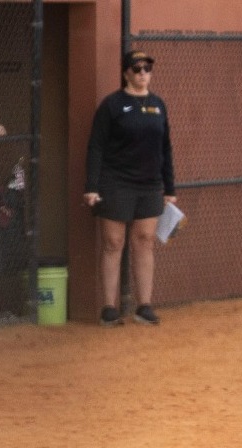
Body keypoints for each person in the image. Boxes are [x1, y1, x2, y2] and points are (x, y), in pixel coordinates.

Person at [84, 49, 176, 327]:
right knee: (113, 243)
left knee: (145, 241)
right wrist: (91, 186)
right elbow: (96, 147)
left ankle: (144, 306)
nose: (143, 74)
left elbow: (165, 148)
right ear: (126, 73)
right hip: (116, 182)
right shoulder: (112, 105)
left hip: (149, 184)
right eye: (136, 69)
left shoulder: (158, 105)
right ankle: (109, 308)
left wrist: (169, 187)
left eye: (147, 69)